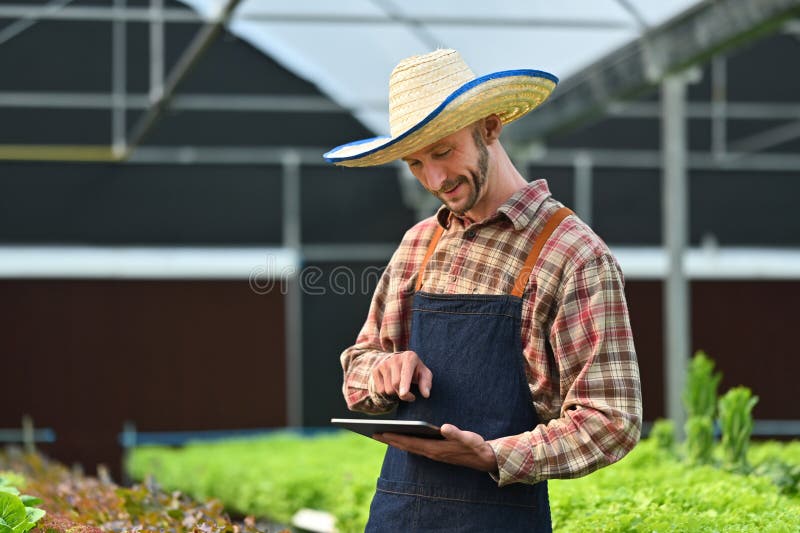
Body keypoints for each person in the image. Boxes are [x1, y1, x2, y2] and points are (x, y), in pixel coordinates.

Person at [324, 49, 642, 532]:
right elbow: (360, 365)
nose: (435, 179)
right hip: (397, 516)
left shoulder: (572, 254)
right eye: (415, 162)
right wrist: (382, 372)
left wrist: (495, 456)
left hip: (500, 518)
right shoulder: (419, 244)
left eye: (443, 151)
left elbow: (612, 419)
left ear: (490, 126)